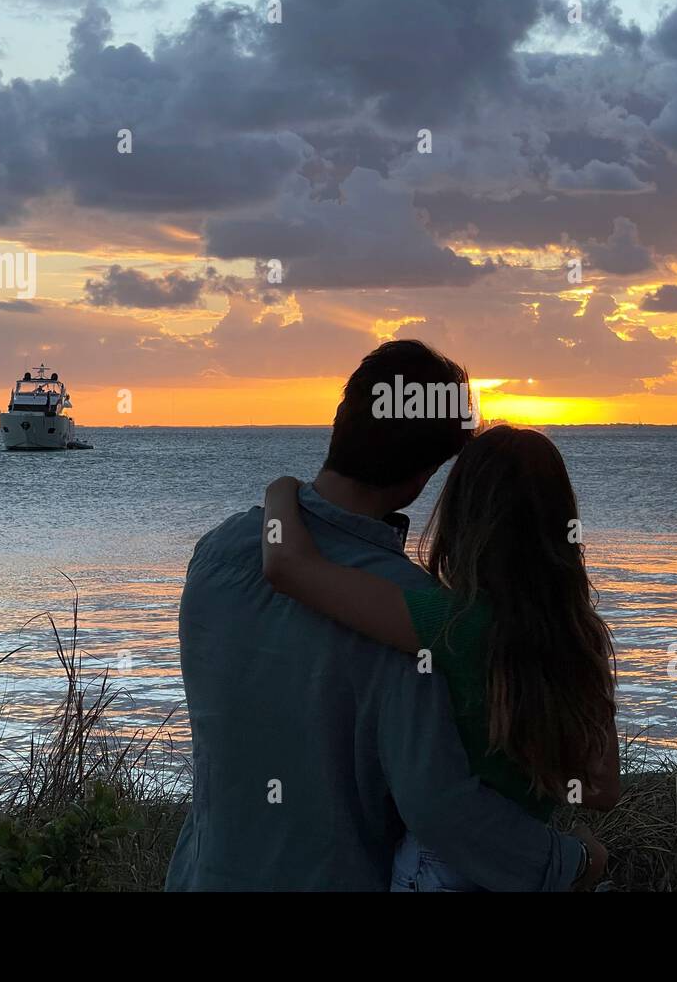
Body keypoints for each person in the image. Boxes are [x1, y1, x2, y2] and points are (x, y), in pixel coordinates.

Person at [165, 341, 606, 891]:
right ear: (424, 475)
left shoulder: (218, 552)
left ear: (341, 421)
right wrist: (569, 863)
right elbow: (440, 804)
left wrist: (281, 489)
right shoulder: (412, 611)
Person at [261, 423, 620, 892]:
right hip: (521, 862)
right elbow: (602, 789)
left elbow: (287, 566)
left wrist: (280, 487)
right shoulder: (581, 637)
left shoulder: (446, 624)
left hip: (441, 867)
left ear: (461, 518)